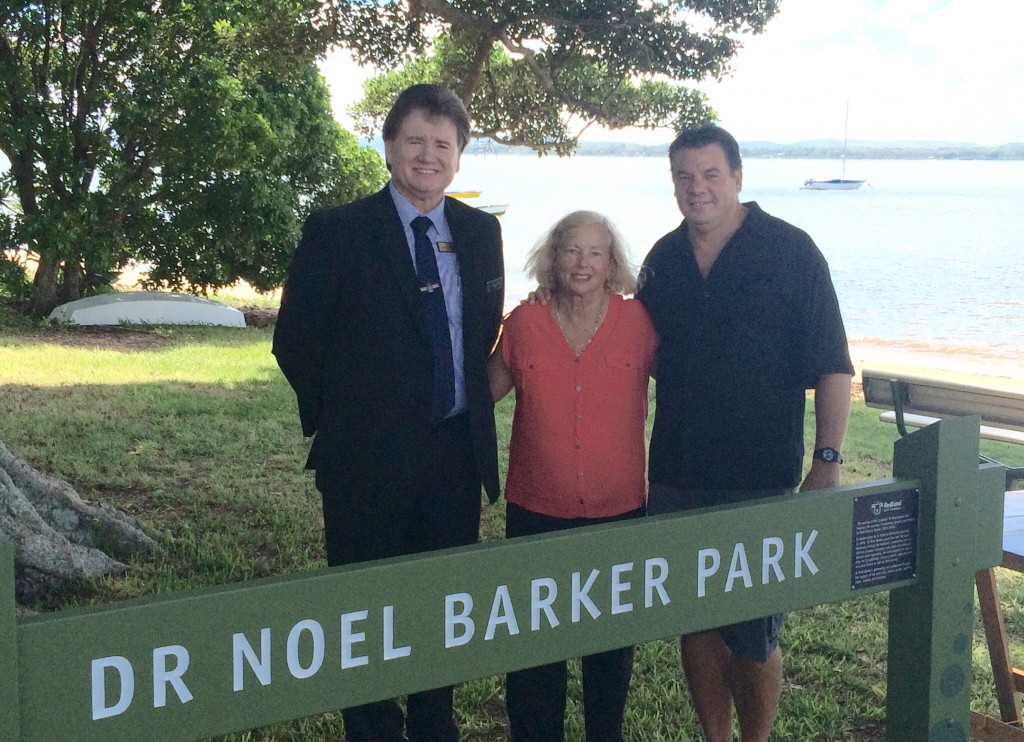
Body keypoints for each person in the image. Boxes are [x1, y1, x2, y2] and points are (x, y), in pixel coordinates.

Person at [272, 83, 504, 742]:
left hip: (455, 459)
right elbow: (295, 341)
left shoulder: (482, 233)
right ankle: (373, 731)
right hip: (363, 464)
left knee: (440, 615)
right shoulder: (338, 230)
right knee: (364, 619)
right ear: (389, 147)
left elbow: (478, 333)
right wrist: (346, 421)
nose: (427, 156)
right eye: (415, 142)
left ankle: (435, 726)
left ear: (459, 155)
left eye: (442, 144)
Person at [636, 123, 854, 742]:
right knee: (697, 623)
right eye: (683, 176)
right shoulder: (662, 260)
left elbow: (833, 364)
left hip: (761, 475)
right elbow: (625, 345)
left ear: (736, 177)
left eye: (709, 174)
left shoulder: (790, 251)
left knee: (754, 632)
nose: (696, 188)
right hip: (676, 472)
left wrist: (829, 461)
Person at [488, 211, 656, 741]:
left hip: (619, 513)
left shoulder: (640, 324)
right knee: (535, 652)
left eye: (596, 253)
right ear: (553, 258)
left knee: (610, 652)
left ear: (612, 265)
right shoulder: (523, 324)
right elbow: (479, 394)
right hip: (536, 512)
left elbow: (693, 383)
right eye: (571, 251)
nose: (582, 263)